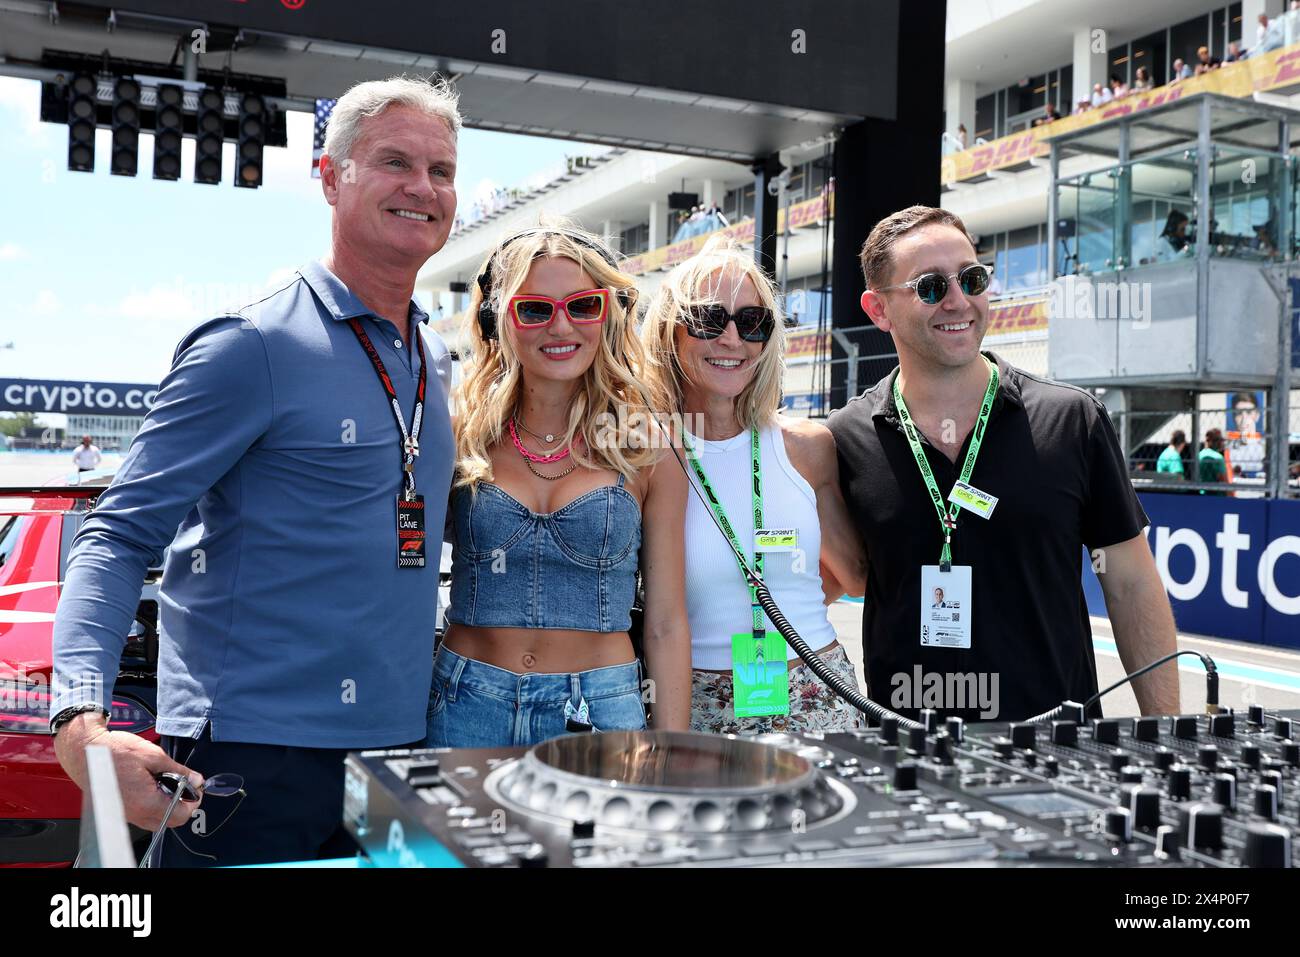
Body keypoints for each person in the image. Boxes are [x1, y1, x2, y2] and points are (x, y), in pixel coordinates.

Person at [51, 76, 462, 867]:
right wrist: (80, 719)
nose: (422, 187)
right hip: (250, 762)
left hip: (397, 756)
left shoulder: (433, 356)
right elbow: (116, 534)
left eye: (441, 171)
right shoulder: (250, 346)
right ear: (331, 177)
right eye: (395, 163)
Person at [827, 205, 1181, 722]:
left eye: (971, 279)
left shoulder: (1070, 420)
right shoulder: (844, 439)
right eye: (929, 287)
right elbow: (829, 580)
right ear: (878, 310)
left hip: (1055, 749)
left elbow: (1129, 583)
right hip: (905, 750)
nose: (958, 301)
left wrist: (1167, 732)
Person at [427, 223, 691, 749]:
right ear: (498, 319)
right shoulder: (458, 433)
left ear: (607, 314)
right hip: (466, 701)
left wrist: (673, 750)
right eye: (535, 309)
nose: (561, 326)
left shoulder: (649, 444)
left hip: (600, 706)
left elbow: (665, 620)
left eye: (582, 306)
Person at [639, 236, 868, 735]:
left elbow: (852, 576)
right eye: (707, 319)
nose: (732, 339)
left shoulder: (807, 447)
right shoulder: (644, 455)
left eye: (751, 322)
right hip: (692, 701)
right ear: (667, 333)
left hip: (815, 693)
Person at [1199, 428, 1229, 494]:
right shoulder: (1218, 457)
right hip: (1217, 497)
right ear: (1217, 442)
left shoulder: (1199, 455)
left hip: (1201, 494)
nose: (1223, 443)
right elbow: (1225, 481)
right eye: (1221, 441)